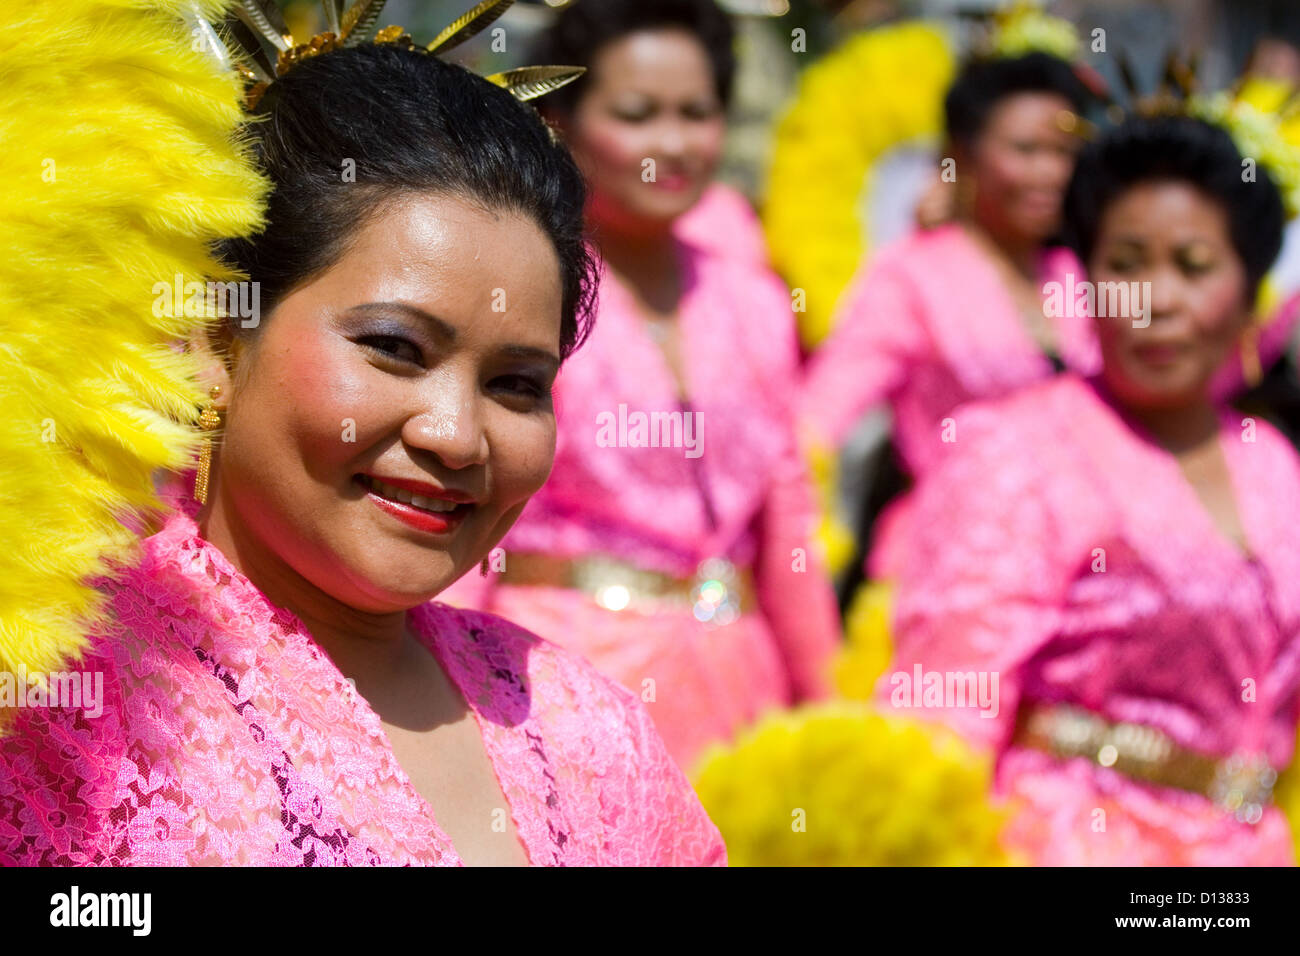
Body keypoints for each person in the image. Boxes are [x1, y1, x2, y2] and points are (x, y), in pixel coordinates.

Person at [0, 6, 725, 867]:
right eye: (393, 348)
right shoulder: (56, 704)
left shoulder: (593, 731)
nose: (458, 437)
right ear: (218, 341)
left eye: (516, 385)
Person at [885, 112, 1300, 865]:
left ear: (1248, 293)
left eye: (1194, 265)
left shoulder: (1271, 461)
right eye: (1126, 263)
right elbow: (943, 707)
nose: (1154, 299)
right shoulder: (1018, 449)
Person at [446, 0, 840, 770]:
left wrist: (828, 709)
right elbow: (472, 489)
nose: (672, 144)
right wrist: (446, 691)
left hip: (743, 699)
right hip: (557, 687)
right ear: (561, 121)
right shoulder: (519, 291)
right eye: (637, 113)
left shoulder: (755, 298)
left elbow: (786, 517)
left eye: (696, 113)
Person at [799, 50, 1095, 585]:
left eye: (1065, 151)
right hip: (946, 567)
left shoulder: (1085, 272)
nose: (1050, 172)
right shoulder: (915, 274)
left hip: (1081, 567)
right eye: (1025, 149)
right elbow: (818, 418)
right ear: (964, 156)